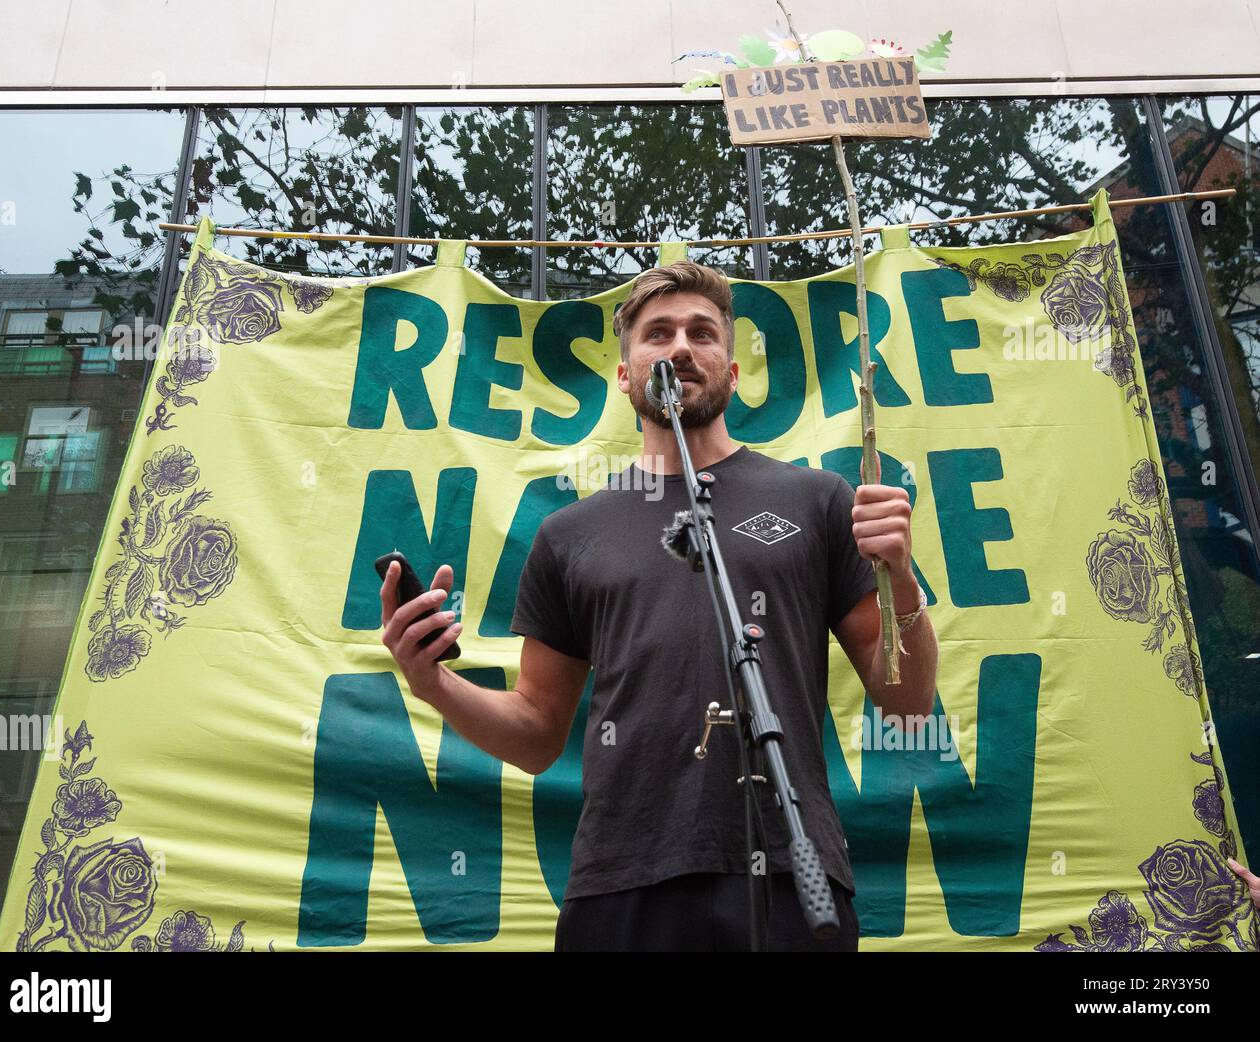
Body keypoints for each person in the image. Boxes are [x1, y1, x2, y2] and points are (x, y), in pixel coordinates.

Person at [380, 261, 939, 951]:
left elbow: (908, 705)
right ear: (625, 376)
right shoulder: (569, 535)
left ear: (732, 373)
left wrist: (903, 581)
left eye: (703, 333)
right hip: (622, 884)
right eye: (658, 333)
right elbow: (535, 732)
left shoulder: (816, 500)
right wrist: (432, 681)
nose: (680, 347)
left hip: (795, 872)